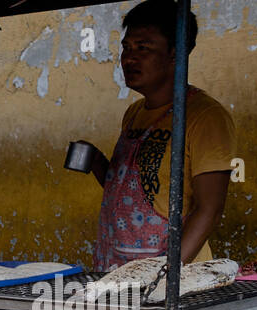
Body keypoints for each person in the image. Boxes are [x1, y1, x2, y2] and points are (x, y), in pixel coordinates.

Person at [75, 0, 235, 269]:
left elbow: (209, 209)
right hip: (119, 269)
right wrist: (98, 164)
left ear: (175, 52)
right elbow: (136, 197)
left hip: (173, 278)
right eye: (126, 47)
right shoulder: (134, 113)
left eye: (143, 48)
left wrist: (164, 277)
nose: (129, 58)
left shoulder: (204, 117)